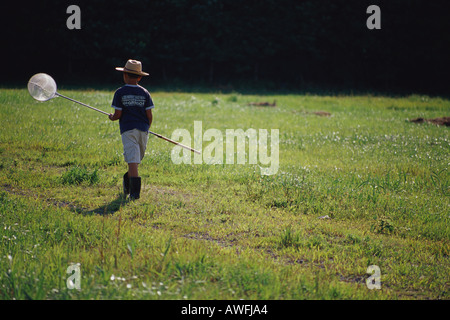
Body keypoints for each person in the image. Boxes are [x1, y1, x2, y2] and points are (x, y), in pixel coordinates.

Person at [108, 59, 154, 200]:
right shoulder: (145, 93)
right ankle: (135, 194)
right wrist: (147, 128)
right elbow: (149, 115)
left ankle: (129, 183)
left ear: (125, 75)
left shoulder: (120, 92)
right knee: (134, 159)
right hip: (140, 130)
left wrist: (111, 117)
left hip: (129, 129)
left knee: (135, 159)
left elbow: (118, 115)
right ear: (139, 77)